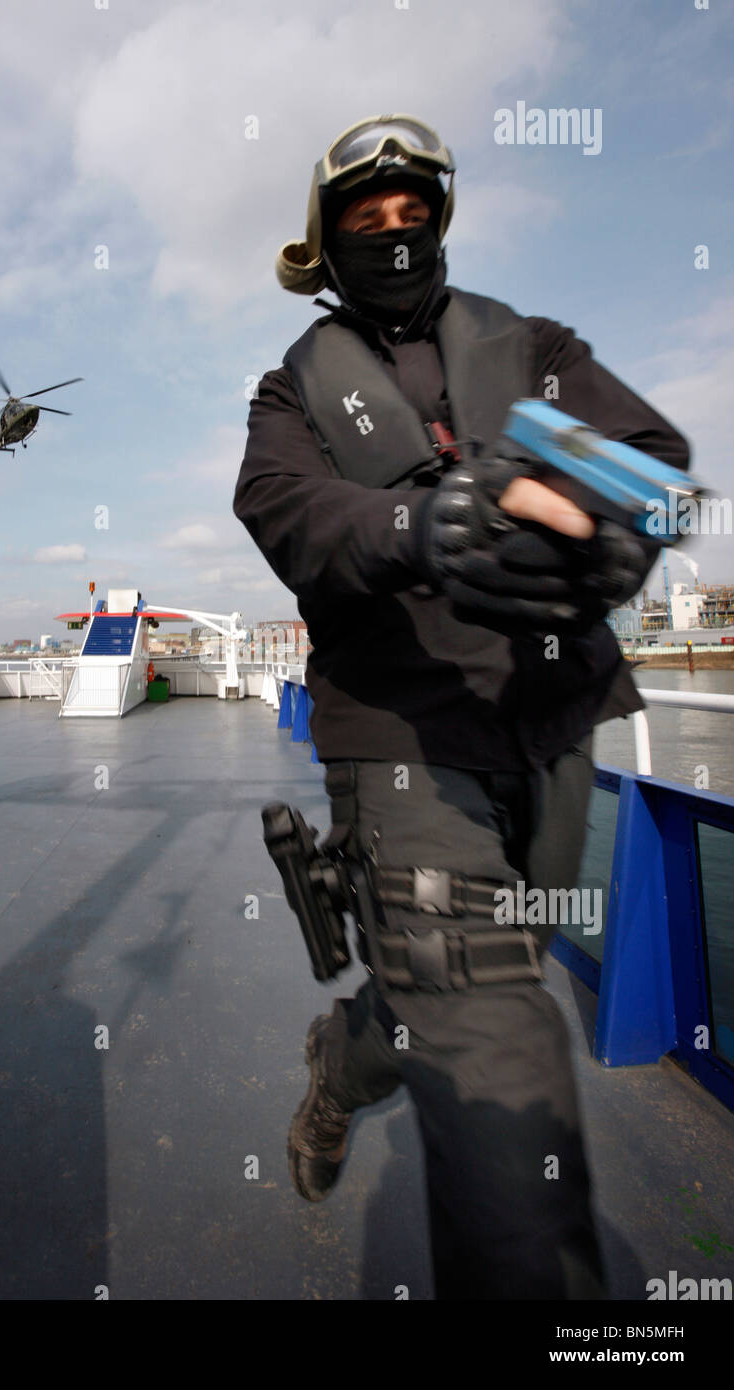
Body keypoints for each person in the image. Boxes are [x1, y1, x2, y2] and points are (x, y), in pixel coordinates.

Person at [233, 116, 689, 1299]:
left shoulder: (532, 346)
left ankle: (346, 1054)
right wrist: (417, 523)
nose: (393, 238)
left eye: (411, 215)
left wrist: (608, 541)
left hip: (552, 730)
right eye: (362, 223)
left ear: (438, 220)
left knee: (488, 963)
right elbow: (288, 514)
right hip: (402, 744)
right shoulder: (291, 389)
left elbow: (653, 460)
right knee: (494, 1022)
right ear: (324, 245)